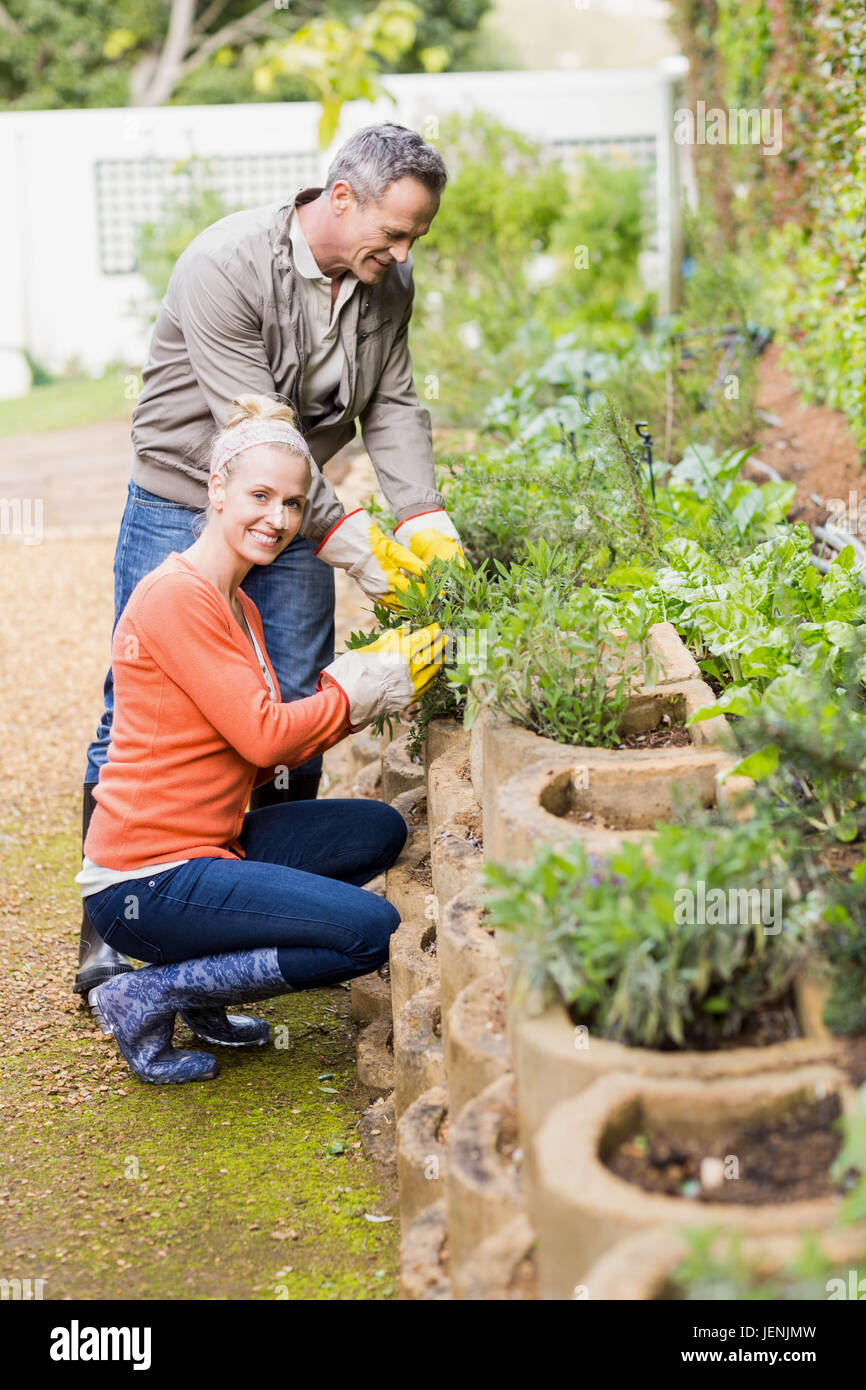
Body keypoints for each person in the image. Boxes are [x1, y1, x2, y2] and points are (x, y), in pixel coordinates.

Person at [75, 121, 465, 997]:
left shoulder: (383, 284)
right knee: (132, 710)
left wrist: (423, 513)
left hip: (288, 508)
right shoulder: (226, 265)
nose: (403, 253)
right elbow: (260, 434)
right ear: (339, 198)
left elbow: (394, 402)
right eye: (394, 232)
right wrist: (357, 541)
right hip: (195, 495)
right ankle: (112, 929)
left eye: (416, 238)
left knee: (290, 699)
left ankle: (255, 921)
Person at [75, 394, 445, 1085]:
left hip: (212, 843)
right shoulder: (176, 597)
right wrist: (358, 689)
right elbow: (266, 737)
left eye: (294, 504)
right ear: (217, 489)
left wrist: (369, 684)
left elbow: (263, 750)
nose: (277, 520)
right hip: (146, 881)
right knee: (370, 930)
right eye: (260, 495)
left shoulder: (237, 603)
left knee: (376, 830)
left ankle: (202, 990)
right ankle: (148, 992)